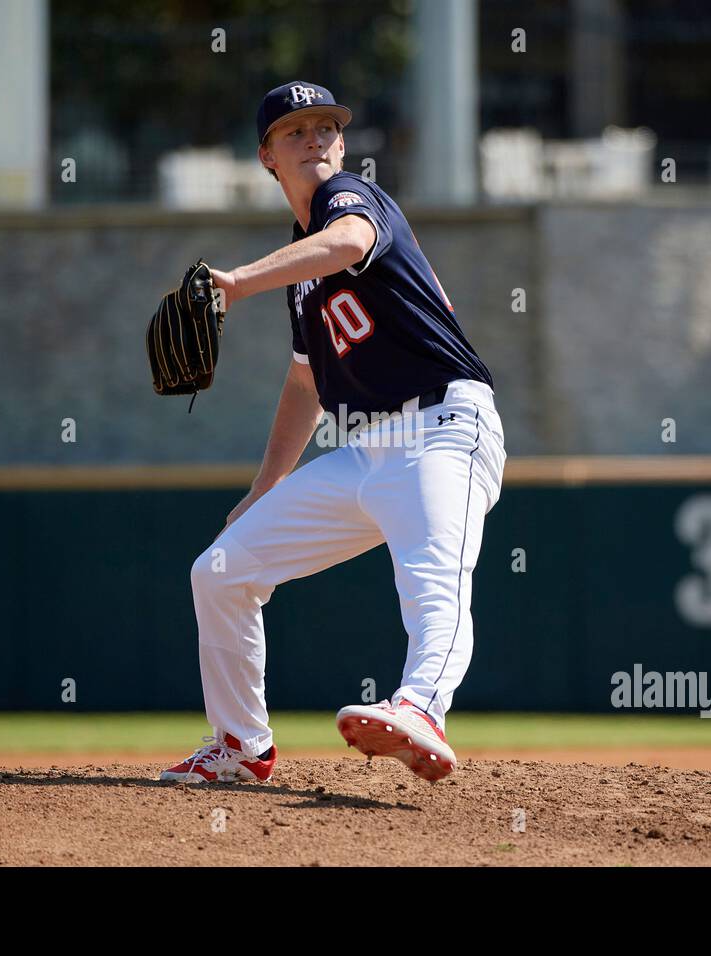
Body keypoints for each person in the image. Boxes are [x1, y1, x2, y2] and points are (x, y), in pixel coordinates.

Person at [160, 81, 506, 784]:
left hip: (444, 427)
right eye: (295, 131)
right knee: (219, 571)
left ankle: (421, 709)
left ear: (343, 146)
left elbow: (349, 242)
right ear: (266, 157)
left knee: (434, 581)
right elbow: (304, 384)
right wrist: (264, 489)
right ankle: (240, 746)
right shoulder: (300, 269)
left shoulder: (352, 202)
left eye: (325, 128)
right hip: (363, 451)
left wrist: (233, 284)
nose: (314, 139)